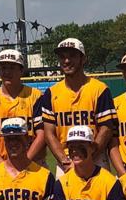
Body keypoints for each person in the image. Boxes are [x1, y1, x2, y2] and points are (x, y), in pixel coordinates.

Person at [38, 38, 118, 177]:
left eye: (72, 56)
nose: (67, 61)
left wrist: (88, 159)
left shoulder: (99, 89)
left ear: (83, 59)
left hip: (96, 160)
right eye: (62, 57)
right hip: (66, 162)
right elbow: (49, 133)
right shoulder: (51, 93)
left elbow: (106, 129)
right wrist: (64, 161)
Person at [0, 49, 47, 165]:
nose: (7, 72)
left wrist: (26, 161)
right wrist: (2, 166)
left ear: (21, 70)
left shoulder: (35, 96)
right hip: (1, 164)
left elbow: (42, 133)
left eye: (12, 68)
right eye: (3, 68)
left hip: (34, 163)